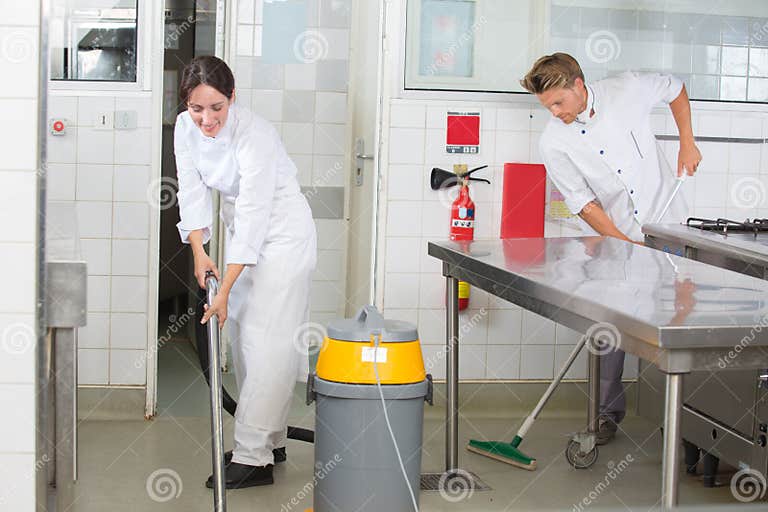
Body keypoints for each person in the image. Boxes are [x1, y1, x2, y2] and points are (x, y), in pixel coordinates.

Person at [520, 53, 702, 444]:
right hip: (618, 234)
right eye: (547, 106)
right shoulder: (553, 141)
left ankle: (686, 420)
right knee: (609, 330)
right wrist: (624, 244)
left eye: (558, 103)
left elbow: (677, 87)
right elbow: (582, 202)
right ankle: (605, 415)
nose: (555, 113)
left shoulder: (628, 88)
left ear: (578, 85)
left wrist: (687, 141)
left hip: (670, 222)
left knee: (680, 318)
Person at [174, 55, 316, 488]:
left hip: (283, 235)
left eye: (216, 107)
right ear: (185, 105)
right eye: (197, 108)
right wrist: (200, 252)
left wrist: (224, 287)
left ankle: (254, 458)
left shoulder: (256, 135)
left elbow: (255, 214)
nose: (207, 118)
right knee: (242, 337)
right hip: (243, 237)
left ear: (232, 98)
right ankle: (270, 440)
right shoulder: (185, 128)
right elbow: (191, 190)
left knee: (267, 342)